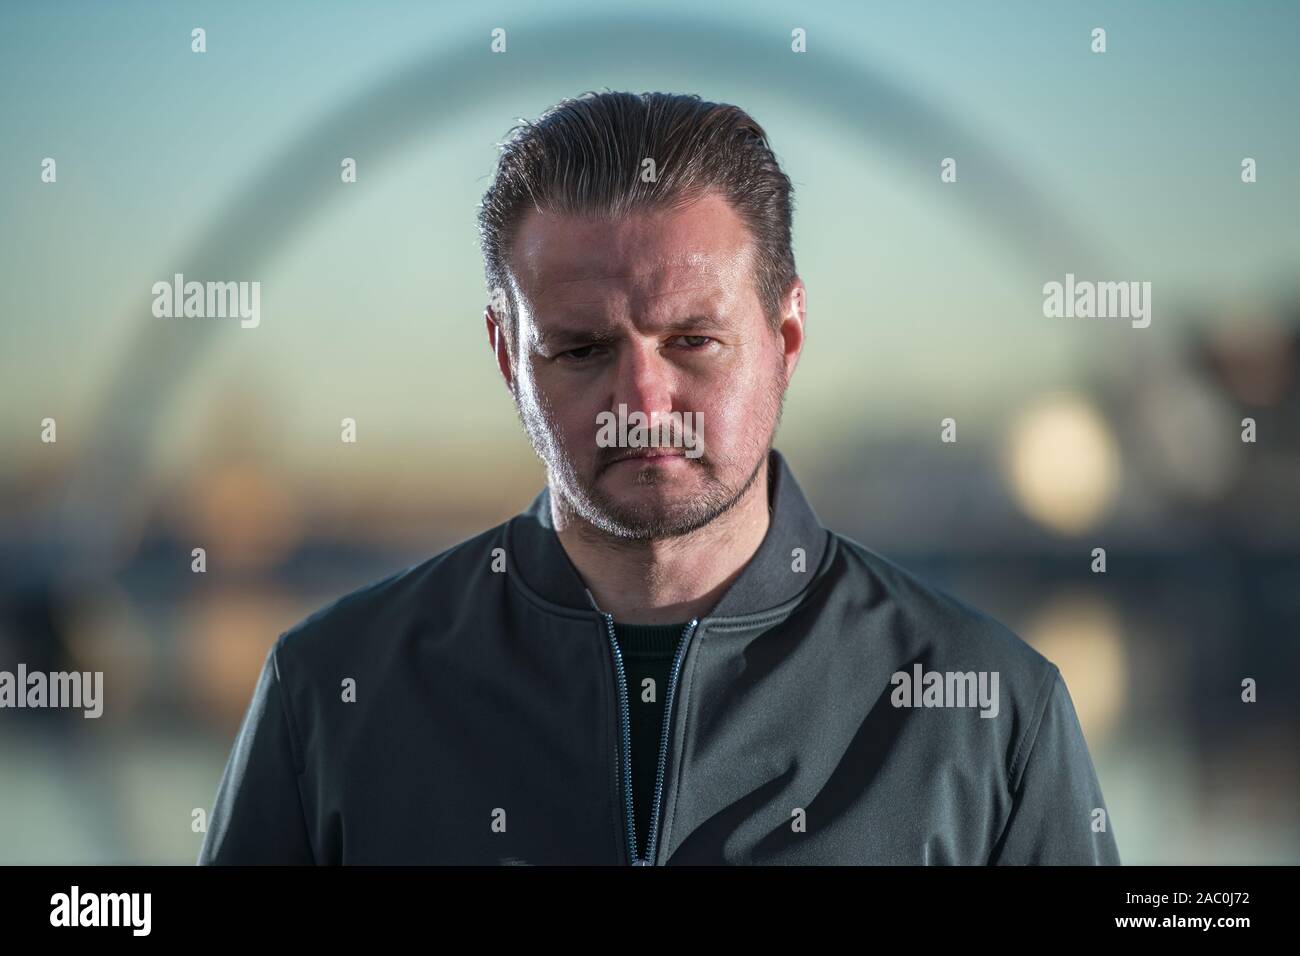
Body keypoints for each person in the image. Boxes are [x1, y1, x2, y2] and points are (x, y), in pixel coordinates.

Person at [198, 90, 1120, 865]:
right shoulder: (329, 693)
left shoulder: (989, 713)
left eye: (693, 341)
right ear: (508, 358)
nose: (642, 396)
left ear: (785, 339)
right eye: (583, 347)